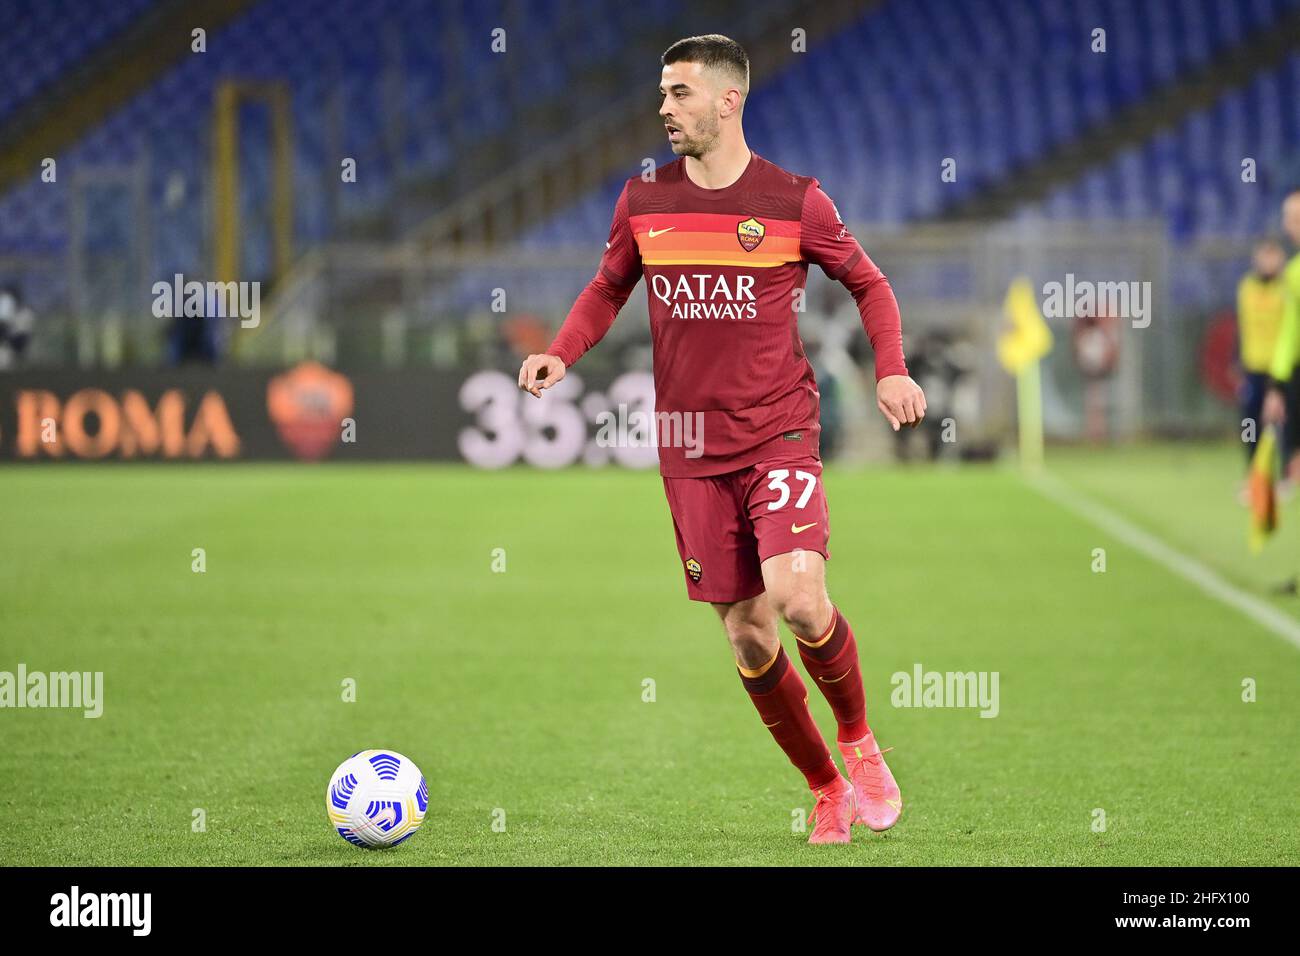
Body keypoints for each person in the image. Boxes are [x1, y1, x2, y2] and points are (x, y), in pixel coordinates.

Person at [517, 35, 926, 844]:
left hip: (778, 431)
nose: (663, 108)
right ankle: (824, 788)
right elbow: (607, 287)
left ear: (728, 100)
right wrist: (560, 352)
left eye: (678, 93)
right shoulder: (643, 201)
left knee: (800, 599)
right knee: (746, 632)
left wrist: (892, 369)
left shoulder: (795, 200)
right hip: (689, 449)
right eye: (661, 95)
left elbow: (868, 282)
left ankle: (860, 741)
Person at [1236, 237, 1288, 497]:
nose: (1268, 262)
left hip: (1279, 369)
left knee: (1278, 424)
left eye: (1273, 256)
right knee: (1249, 424)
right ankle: (1252, 476)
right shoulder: (1247, 287)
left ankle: (1280, 476)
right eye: (1264, 256)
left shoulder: (1287, 287)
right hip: (1252, 368)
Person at [1260, 192, 1300, 488]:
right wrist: (1277, 385)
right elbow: (1289, 331)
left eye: (1295, 219)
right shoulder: (1294, 272)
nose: (1290, 226)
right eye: (1288, 219)